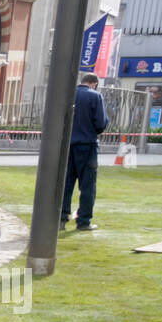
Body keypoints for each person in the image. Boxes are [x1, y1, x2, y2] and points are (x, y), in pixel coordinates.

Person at [62, 72, 109, 232]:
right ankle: (83, 221)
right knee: (87, 186)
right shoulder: (95, 97)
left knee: (65, 184)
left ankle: (61, 218)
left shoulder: (68, 94)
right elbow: (101, 123)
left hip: (67, 146)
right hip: (87, 145)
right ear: (94, 83)